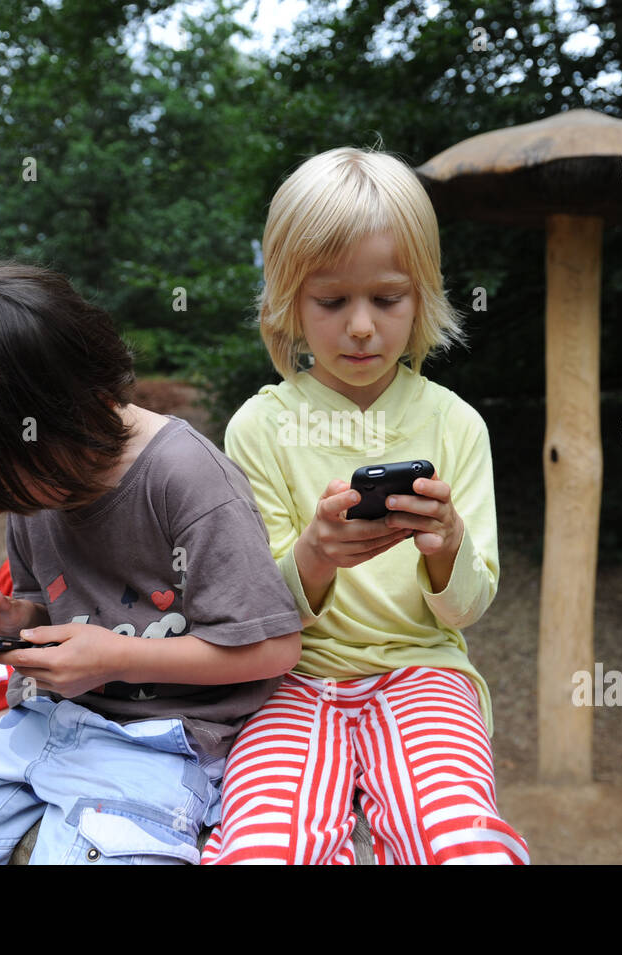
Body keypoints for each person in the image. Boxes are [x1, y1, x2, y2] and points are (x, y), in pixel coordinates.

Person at [0, 260, 303, 865]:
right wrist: (5, 618)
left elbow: (273, 647)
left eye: (7, 482)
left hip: (161, 743)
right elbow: (50, 606)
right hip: (41, 724)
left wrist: (115, 658)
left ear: (71, 409)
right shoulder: (36, 486)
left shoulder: (186, 479)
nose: (8, 503)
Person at [200, 147, 530, 864]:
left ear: (424, 297)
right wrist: (314, 554)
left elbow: (465, 609)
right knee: (263, 847)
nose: (359, 326)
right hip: (290, 678)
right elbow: (257, 609)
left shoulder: (455, 425)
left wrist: (445, 546)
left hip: (424, 674)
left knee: (459, 842)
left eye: (386, 299)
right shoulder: (258, 428)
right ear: (287, 299)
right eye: (331, 301)